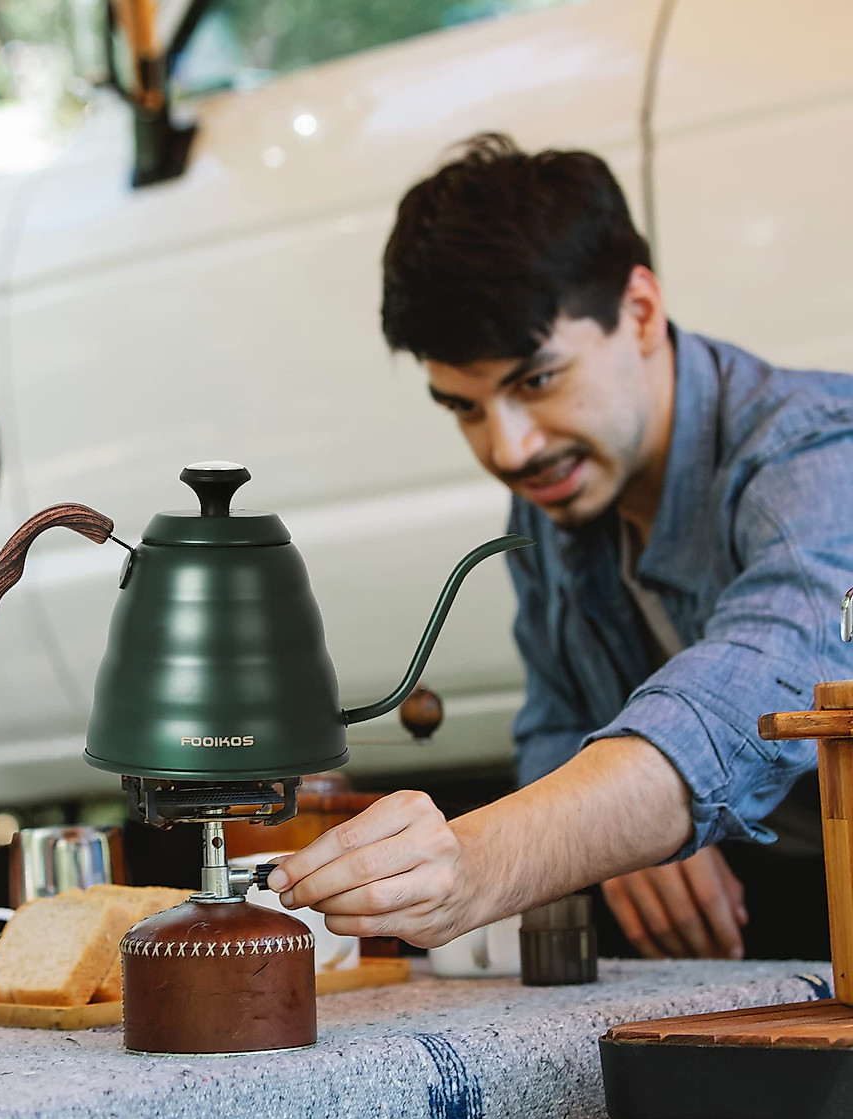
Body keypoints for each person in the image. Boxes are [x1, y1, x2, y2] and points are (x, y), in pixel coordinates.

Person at [267, 133, 850, 961]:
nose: (507, 449)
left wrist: (485, 862)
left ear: (640, 312)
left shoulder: (823, 456)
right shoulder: (558, 490)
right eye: (464, 408)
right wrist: (609, 839)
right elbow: (553, 724)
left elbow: (760, 693)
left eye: (536, 380)